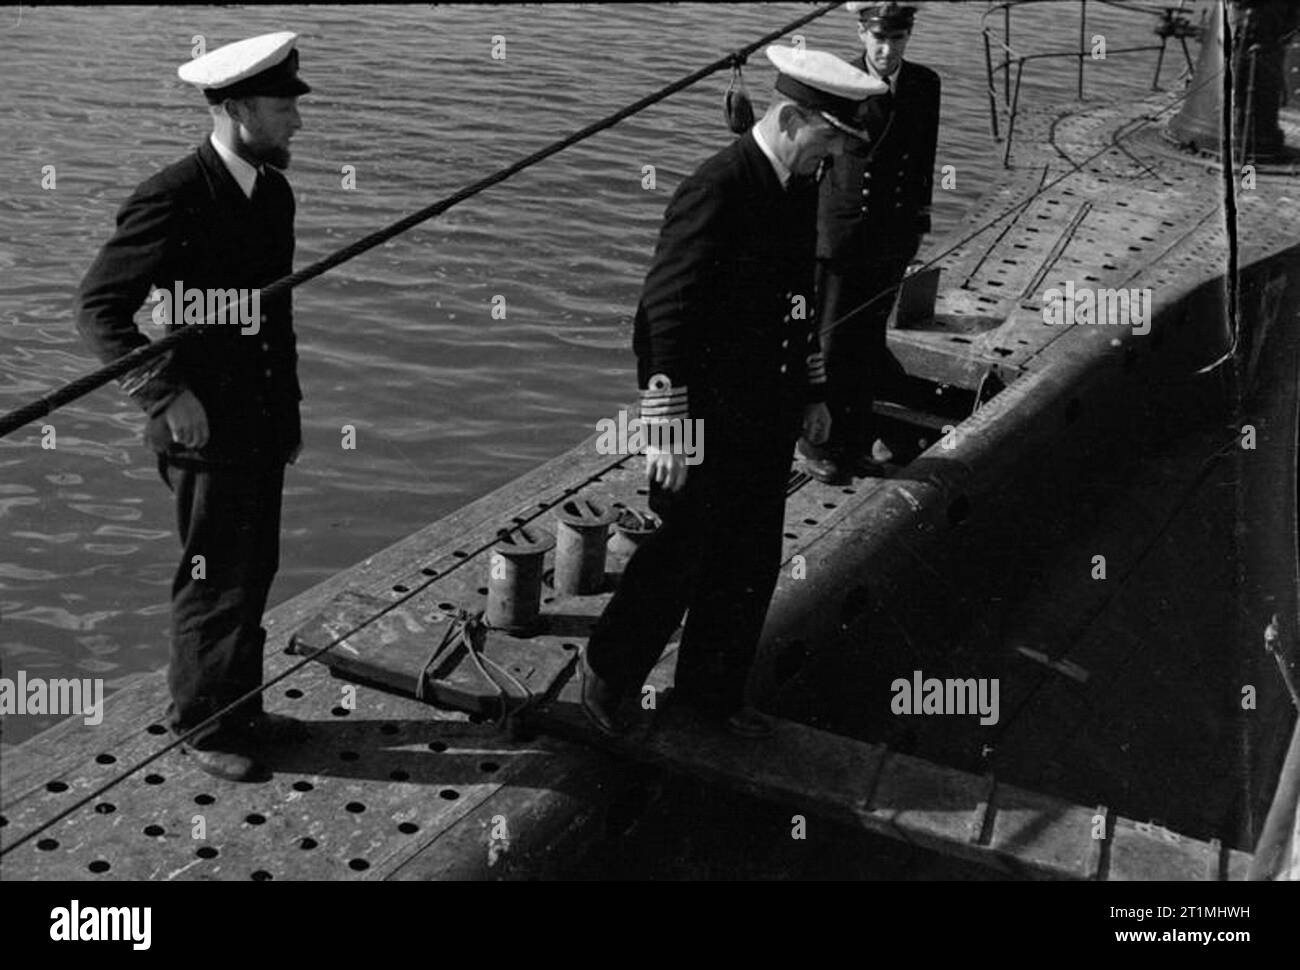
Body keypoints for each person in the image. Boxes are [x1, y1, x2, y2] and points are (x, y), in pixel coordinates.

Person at [579, 46, 884, 739]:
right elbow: (663, 314)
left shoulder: (795, 185)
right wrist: (667, 430)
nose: (832, 157)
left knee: (749, 562)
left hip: (765, 411)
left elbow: (797, 297)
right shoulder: (718, 187)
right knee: (680, 552)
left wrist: (813, 388)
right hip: (704, 417)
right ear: (792, 117)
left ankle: (709, 696)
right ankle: (605, 674)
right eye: (829, 138)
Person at [76, 32, 312, 781]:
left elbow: (276, 316)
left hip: (262, 420)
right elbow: (98, 309)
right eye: (283, 109)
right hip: (200, 425)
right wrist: (164, 393)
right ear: (239, 108)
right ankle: (205, 727)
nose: (297, 124)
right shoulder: (171, 195)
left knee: (255, 568)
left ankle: (239, 705)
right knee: (212, 575)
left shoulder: (273, 192)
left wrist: (291, 410)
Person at [801, 2, 940, 484]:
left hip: (890, 237)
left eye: (896, 39)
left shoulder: (924, 85)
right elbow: (812, 159)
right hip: (840, 232)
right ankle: (815, 443)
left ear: (908, 37)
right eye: (878, 38)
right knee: (830, 340)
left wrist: (917, 227)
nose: (886, 49)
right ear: (861, 33)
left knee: (867, 341)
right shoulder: (837, 80)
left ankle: (855, 441)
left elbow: (923, 160)